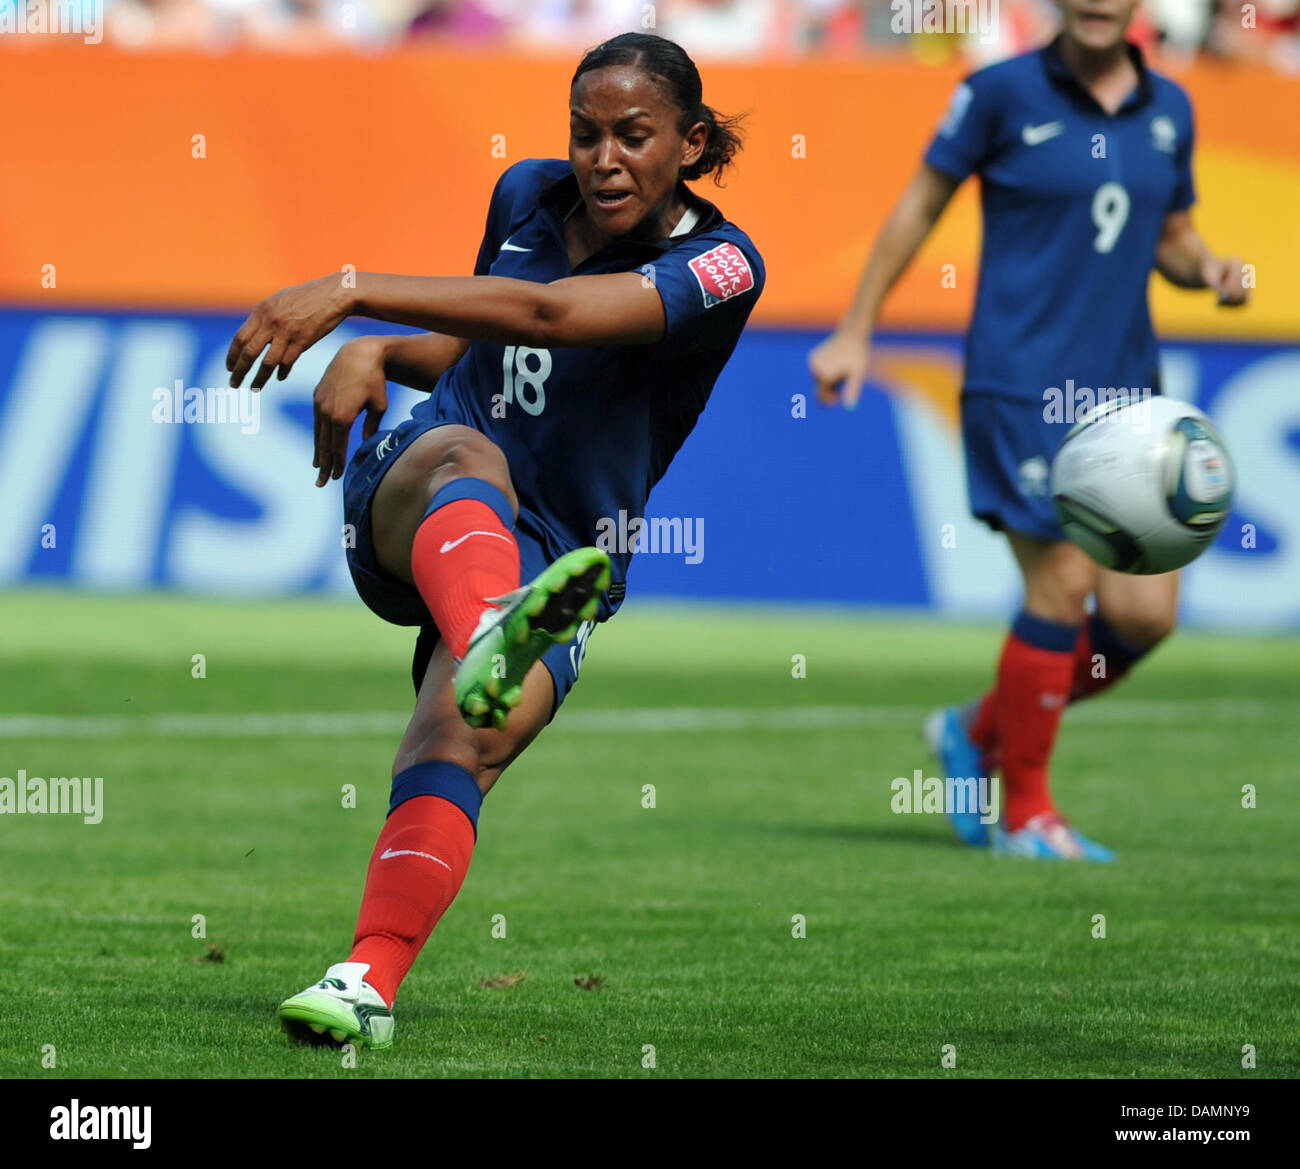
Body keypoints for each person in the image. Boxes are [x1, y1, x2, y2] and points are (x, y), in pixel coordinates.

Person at [225, 32, 764, 1047]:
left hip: (559, 552)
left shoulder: (722, 265)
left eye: (634, 137)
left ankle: (362, 983)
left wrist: (354, 291)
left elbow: (551, 313)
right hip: (426, 487)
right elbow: (489, 340)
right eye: (585, 133)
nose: (603, 158)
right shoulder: (526, 193)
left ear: (690, 144)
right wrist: (380, 343)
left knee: (454, 748)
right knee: (470, 450)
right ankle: (490, 626)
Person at [809, 0, 1248, 860]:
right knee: (1061, 585)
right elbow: (918, 206)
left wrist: (1212, 270)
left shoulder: (1171, 108)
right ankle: (1029, 815)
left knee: (1145, 616)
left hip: (1131, 398)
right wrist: (856, 326)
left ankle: (974, 729)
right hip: (1022, 385)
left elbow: (1173, 237)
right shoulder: (999, 93)